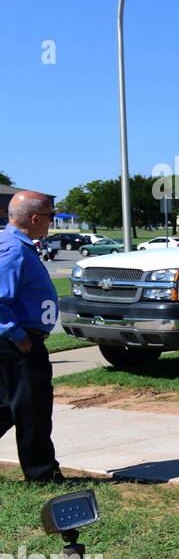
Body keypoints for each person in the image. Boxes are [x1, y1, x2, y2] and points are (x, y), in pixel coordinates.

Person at [0, 191, 62, 483]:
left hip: (18, 341)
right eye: (51, 215)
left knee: (6, 407)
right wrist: (18, 335)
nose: (52, 221)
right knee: (32, 408)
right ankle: (42, 474)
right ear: (36, 218)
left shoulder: (19, 245)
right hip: (18, 344)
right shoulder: (13, 249)